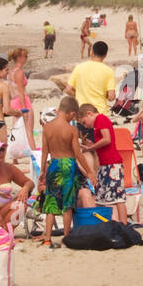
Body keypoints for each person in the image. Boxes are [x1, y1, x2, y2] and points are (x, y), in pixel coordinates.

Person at [39, 98, 85, 244]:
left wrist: (42, 171)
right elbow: (78, 154)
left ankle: (47, 238)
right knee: (68, 203)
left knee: (51, 202)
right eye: (74, 116)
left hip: (53, 164)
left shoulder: (47, 127)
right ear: (71, 112)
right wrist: (89, 171)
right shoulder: (72, 130)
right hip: (68, 165)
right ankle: (66, 236)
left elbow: (44, 152)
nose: (73, 118)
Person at [78, 102, 129, 224]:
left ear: (89, 114)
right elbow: (104, 143)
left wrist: (91, 148)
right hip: (105, 164)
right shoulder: (98, 123)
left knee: (117, 197)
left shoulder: (100, 119)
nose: (86, 126)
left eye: (84, 122)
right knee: (102, 197)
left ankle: (124, 224)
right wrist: (92, 146)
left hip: (112, 164)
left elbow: (107, 139)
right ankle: (108, 222)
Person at [66, 39, 117, 117]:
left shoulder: (79, 67)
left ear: (92, 52)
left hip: (82, 111)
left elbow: (68, 89)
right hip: (100, 112)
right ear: (105, 54)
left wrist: (78, 95)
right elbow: (111, 97)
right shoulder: (109, 71)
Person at [7, 47, 36, 150]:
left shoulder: (10, 72)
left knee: (16, 129)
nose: (26, 58)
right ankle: (34, 155)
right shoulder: (19, 72)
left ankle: (14, 157)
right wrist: (24, 108)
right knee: (29, 131)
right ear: (19, 58)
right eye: (25, 56)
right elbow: (20, 90)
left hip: (14, 102)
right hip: (23, 101)